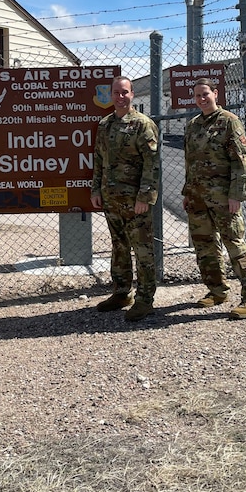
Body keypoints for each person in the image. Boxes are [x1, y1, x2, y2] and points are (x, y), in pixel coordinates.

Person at [182, 78, 246, 319]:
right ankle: (217, 290)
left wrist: (237, 195)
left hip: (223, 198)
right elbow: (190, 163)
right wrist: (187, 192)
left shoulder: (229, 122)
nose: (201, 98)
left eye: (205, 94)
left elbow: (240, 163)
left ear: (216, 94)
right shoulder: (193, 125)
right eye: (197, 95)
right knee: (205, 247)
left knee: (235, 246)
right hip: (197, 198)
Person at [91, 76, 160, 322]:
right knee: (119, 248)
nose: (120, 97)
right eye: (116, 93)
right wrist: (96, 190)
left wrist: (145, 197)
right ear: (111, 95)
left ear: (132, 95)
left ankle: (145, 299)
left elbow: (152, 165)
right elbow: (99, 160)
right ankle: (121, 293)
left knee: (143, 251)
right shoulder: (105, 124)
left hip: (135, 201)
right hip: (111, 199)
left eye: (125, 92)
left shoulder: (143, 125)